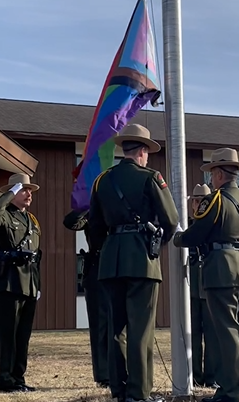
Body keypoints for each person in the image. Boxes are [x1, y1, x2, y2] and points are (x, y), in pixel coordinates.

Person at [87, 123, 180, 402]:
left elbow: (94, 228)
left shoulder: (102, 181)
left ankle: (119, 389)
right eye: (147, 152)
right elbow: (172, 220)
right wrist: (156, 244)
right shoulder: (151, 178)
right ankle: (138, 393)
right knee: (141, 329)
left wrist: (108, 249)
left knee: (116, 329)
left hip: (111, 260)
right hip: (141, 259)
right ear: (141, 151)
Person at [174, 148, 239, 402]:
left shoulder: (214, 200)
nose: (210, 180)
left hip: (220, 270)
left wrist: (178, 237)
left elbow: (195, 234)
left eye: (211, 174)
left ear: (217, 173)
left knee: (226, 332)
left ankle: (229, 392)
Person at [0, 173, 43, 393]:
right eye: (23, 190)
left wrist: (38, 285)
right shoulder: (5, 216)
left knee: (23, 335)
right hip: (9, 282)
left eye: (30, 191)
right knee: (8, 334)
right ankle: (5, 379)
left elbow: (38, 255)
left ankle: (18, 377)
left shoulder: (32, 220)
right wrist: (8, 194)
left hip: (29, 284)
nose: (29, 194)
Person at [63, 209, 110, 388]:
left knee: (120, 325)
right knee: (99, 326)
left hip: (120, 267)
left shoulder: (120, 206)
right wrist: (86, 205)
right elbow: (71, 222)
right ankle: (104, 375)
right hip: (97, 271)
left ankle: (121, 370)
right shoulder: (92, 212)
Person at [187, 183, 218, 389]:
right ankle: (196, 377)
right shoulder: (188, 225)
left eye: (202, 201)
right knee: (194, 333)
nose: (198, 204)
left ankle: (211, 377)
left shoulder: (213, 224)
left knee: (213, 333)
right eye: (195, 201)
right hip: (190, 286)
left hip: (209, 284)